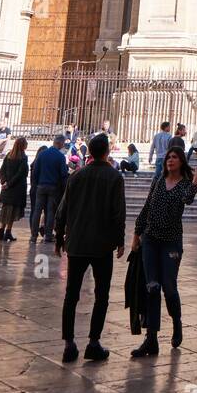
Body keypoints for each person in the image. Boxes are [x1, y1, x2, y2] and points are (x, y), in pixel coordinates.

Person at [54, 131, 125, 364]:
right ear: (107, 152)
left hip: (76, 244)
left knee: (71, 296)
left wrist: (58, 238)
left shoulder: (76, 176)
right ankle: (93, 343)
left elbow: (62, 210)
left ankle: (68, 344)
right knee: (101, 296)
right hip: (102, 246)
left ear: (90, 152)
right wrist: (120, 240)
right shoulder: (114, 177)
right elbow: (118, 213)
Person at [130, 146, 197, 357]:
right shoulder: (159, 181)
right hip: (150, 239)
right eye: (168, 157)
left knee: (169, 288)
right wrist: (136, 233)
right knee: (152, 287)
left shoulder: (185, 184)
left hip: (171, 242)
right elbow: (147, 207)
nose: (170, 160)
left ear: (181, 162)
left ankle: (176, 323)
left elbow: (188, 199)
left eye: (175, 157)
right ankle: (151, 339)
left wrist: (196, 178)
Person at [29, 134, 69, 242]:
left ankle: (33, 236)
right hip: (53, 187)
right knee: (50, 211)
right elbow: (63, 175)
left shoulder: (42, 154)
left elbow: (35, 171)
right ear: (60, 143)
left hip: (41, 185)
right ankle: (48, 235)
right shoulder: (60, 157)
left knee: (37, 211)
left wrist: (36, 184)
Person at [0, 137, 29, 242]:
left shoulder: (9, 155)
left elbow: (1, 171)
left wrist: (4, 182)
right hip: (16, 189)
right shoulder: (23, 158)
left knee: (5, 210)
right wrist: (9, 184)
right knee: (12, 212)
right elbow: (21, 174)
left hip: (7, 189)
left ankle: (1, 231)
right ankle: (8, 232)